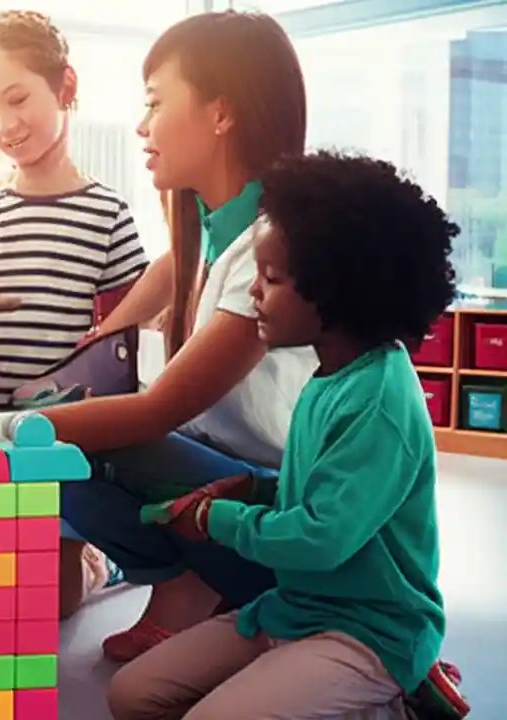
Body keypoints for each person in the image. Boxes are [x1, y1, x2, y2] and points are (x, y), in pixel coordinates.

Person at [0, 10, 318, 661]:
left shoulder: (270, 246)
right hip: (222, 469)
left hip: (275, 505)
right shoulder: (212, 226)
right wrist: (103, 335)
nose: (141, 126)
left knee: (79, 438)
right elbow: (168, 271)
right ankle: (183, 582)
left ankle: (203, 584)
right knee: (59, 451)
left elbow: (158, 410)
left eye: (154, 103)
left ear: (221, 114)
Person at [107, 150, 454, 719]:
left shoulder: (380, 400)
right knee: (132, 695)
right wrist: (249, 490)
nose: (253, 294)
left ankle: (392, 700)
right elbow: (315, 493)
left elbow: (320, 538)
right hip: (296, 608)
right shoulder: (327, 374)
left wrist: (215, 521)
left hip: (370, 632)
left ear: (332, 288)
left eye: (271, 279)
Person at [0, 10, 149, 415]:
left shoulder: (109, 215)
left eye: (17, 99)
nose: (4, 125)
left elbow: (123, 343)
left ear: (65, 87)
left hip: (72, 434)